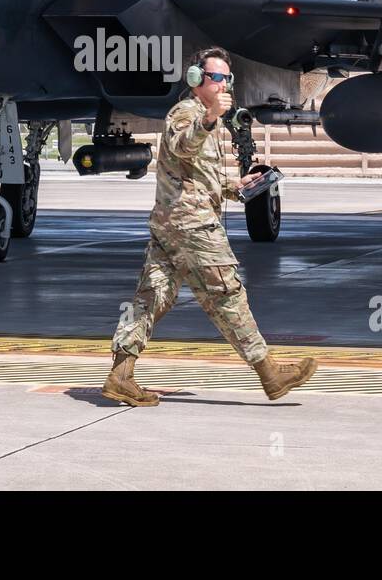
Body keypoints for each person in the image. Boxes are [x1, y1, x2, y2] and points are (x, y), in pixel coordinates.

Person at [102, 47, 318, 406]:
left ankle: (121, 375)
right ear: (196, 80)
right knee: (227, 296)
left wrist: (238, 187)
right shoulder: (187, 114)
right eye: (216, 78)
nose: (223, 85)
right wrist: (208, 120)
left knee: (152, 296)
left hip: (171, 226)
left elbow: (198, 176)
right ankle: (270, 373)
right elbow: (181, 146)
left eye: (227, 79)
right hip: (193, 227)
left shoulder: (210, 118)